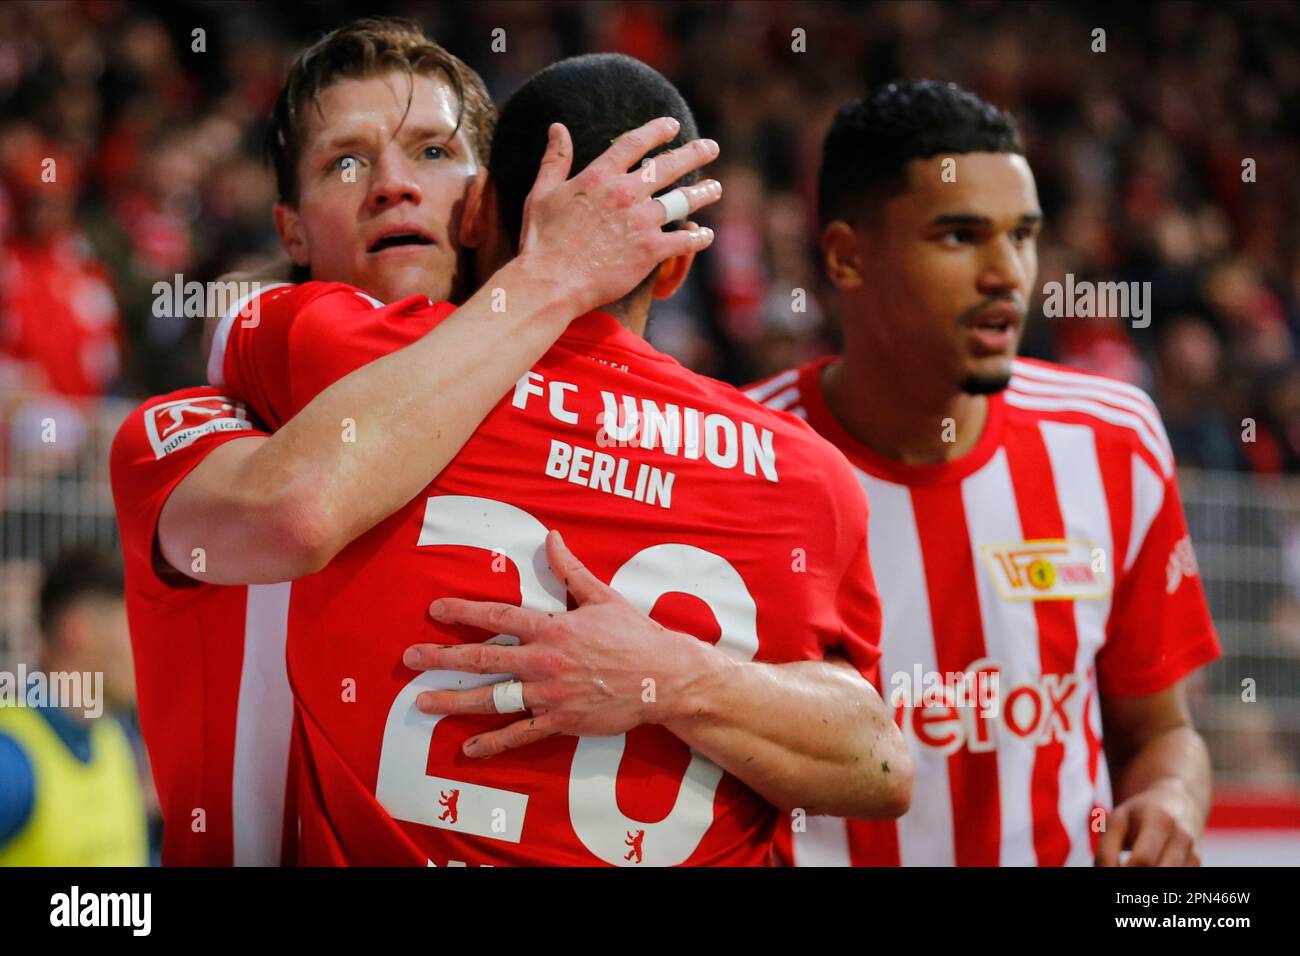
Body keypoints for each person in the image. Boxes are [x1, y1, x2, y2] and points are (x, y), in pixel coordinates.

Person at [214, 52, 909, 866]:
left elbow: (233, 321)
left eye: (436, 155)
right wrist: (683, 680)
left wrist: (667, 673)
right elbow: (883, 769)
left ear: (478, 216)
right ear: (680, 262)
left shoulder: (337, 348)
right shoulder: (806, 475)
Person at [110, 17, 722, 865]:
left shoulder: (597, 432)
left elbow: (867, 750)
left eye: (433, 153)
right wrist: (552, 278)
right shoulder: (189, 434)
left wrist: (703, 683)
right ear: (290, 230)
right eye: (346, 162)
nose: (392, 184)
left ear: (485, 204)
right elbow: (295, 514)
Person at [749, 80, 1220, 867]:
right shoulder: (736, 459)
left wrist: (1172, 798)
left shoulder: (1114, 441)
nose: (1009, 272)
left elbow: (1163, 734)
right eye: (961, 236)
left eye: (1024, 235)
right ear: (845, 257)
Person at [0, 549, 147, 866]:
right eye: (138, 628)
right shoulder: (11, 760)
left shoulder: (111, 735)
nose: (153, 651)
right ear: (78, 632)